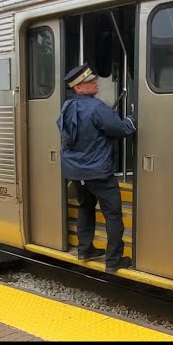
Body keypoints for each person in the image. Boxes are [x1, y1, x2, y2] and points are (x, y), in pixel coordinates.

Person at [56, 63, 137, 274]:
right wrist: (131, 120)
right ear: (78, 88)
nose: (95, 82)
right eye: (89, 81)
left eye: (93, 79)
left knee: (85, 206)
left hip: (75, 171)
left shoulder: (67, 107)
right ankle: (113, 260)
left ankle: (85, 249)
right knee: (113, 214)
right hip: (98, 171)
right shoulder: (96, 107)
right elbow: (120, 129)